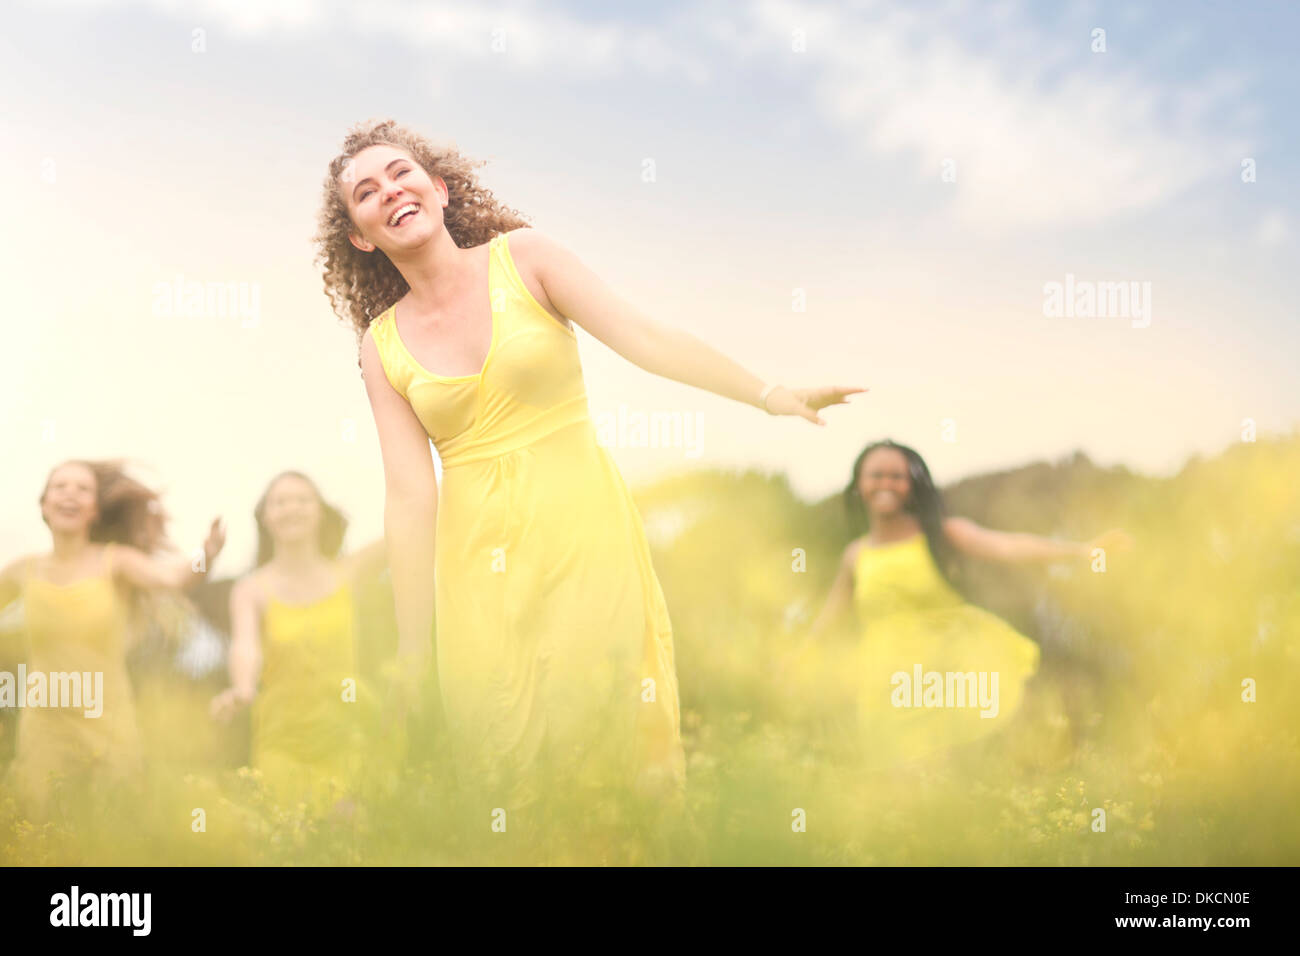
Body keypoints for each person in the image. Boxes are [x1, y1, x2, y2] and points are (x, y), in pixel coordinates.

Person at [312, 118, 864, 828]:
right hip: (477, 564)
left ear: (440, 188)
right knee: (504, 750)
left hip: (583, 529)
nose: (389, 191)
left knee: (606, 729)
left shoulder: (526, 259)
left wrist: (767, 394)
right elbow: (410, 499)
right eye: (366, 192)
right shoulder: (379, 348)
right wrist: (416, 649)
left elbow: (646, 338)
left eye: (401, 174)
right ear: (360, 234)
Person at [802, 439, 1131, 768]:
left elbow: (1006, 547)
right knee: (891, 785)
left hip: (941, 679)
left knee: (937, 776)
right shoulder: (855, 555)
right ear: (859, 483)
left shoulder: (943, 533)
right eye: (876, 475)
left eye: (897, 476)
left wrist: (1081, 550)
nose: (886, 484)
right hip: (881, 684)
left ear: (912, 486)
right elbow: (830, 616)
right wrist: (799, 656)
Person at [0, 459, 223, 816]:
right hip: (44, 725)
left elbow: (175, 579)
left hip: (107, 721)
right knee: (38, 829)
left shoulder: (116, 561)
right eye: (60, 487)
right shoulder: (22, 570)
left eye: (83, 488)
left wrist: (205, 558)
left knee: (112, 830)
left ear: (94, 511)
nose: (70, 494)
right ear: (44, 505)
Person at [210, 471, 386, 815]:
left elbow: (406, 524)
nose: (292, 508)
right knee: (289, 840)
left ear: (320, 512)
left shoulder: (348, 573)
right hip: (281, 743)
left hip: (346, 736)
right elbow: (245, 646)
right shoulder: (251, 590)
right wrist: (241, 688)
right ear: (265, 517)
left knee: (347, 843)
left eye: (303, 500)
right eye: (280, 501)